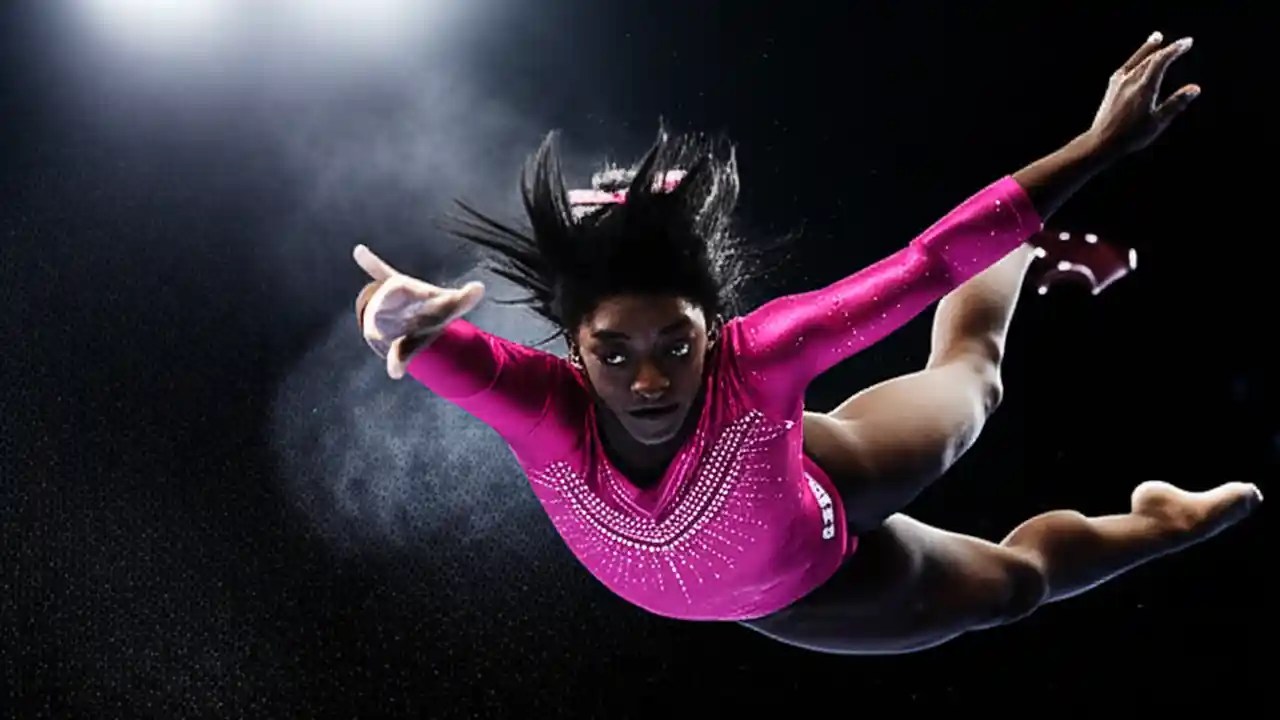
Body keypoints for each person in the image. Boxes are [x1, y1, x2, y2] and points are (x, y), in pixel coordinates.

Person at [352, 32, 1260, 654]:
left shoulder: (764, 355)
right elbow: (440, 351)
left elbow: (927, 261)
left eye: (678, 342)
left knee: (973, 385)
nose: (652, 377)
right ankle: (1162, 521)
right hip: (793, 586)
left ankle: (1021, 248)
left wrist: (1099, 147)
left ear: (715, 329)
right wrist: (395, 319)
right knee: (1012, 591)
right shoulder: (546, 411)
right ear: (574, 349)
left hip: (817, 470)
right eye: (615, 354)